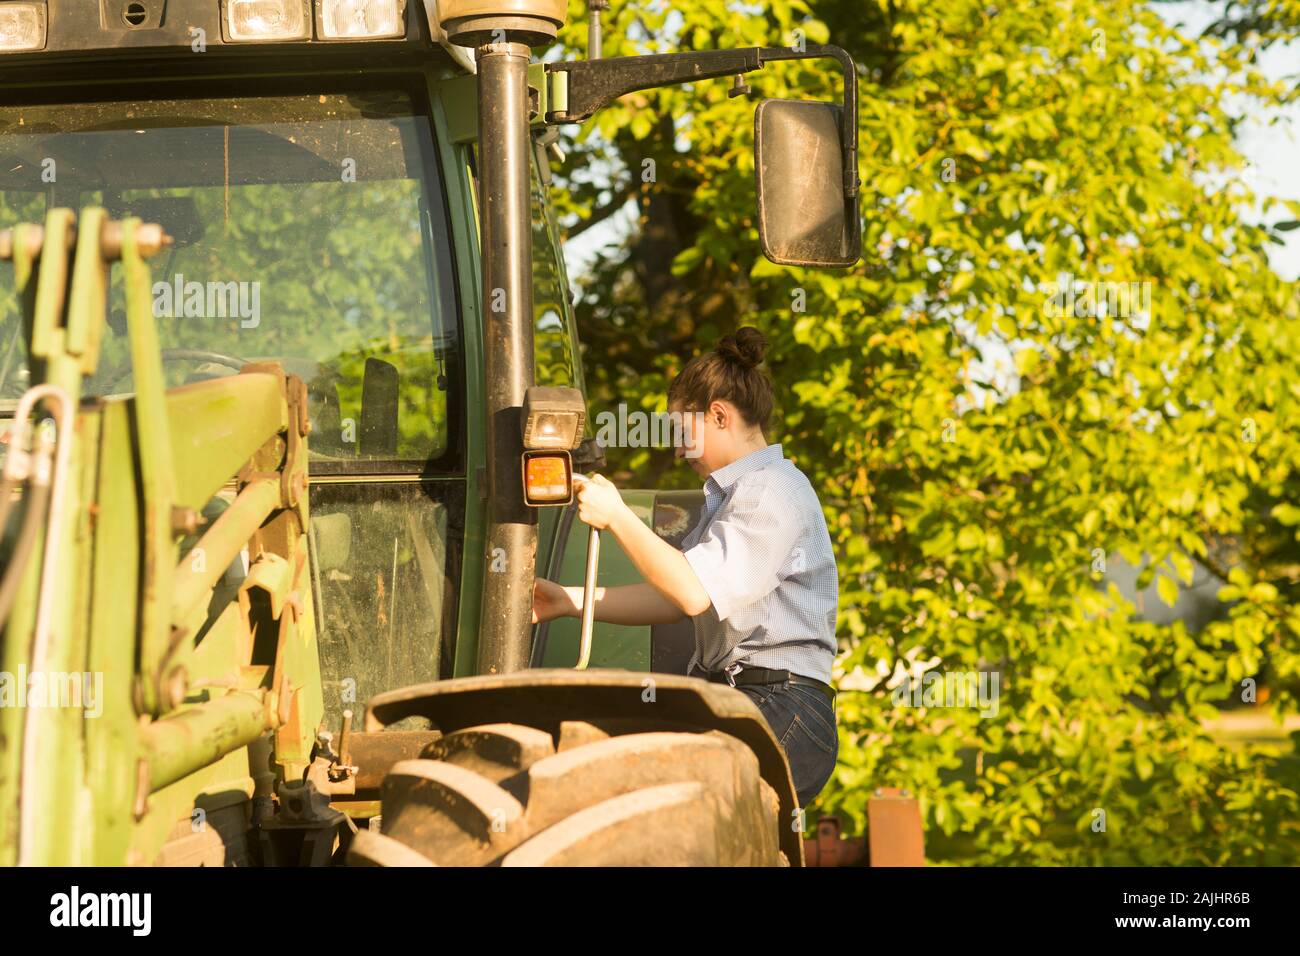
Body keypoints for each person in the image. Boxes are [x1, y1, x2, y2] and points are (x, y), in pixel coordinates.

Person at [532, 327, 840, 807]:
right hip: (752, 700)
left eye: (681, 432)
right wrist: (570, 601)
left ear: (719, 415)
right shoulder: (734, 497)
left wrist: (617, 516)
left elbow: (693, 592)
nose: (677, 451)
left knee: (650, 795)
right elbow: (673, 597)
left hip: (783, 709)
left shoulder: (771, 489)